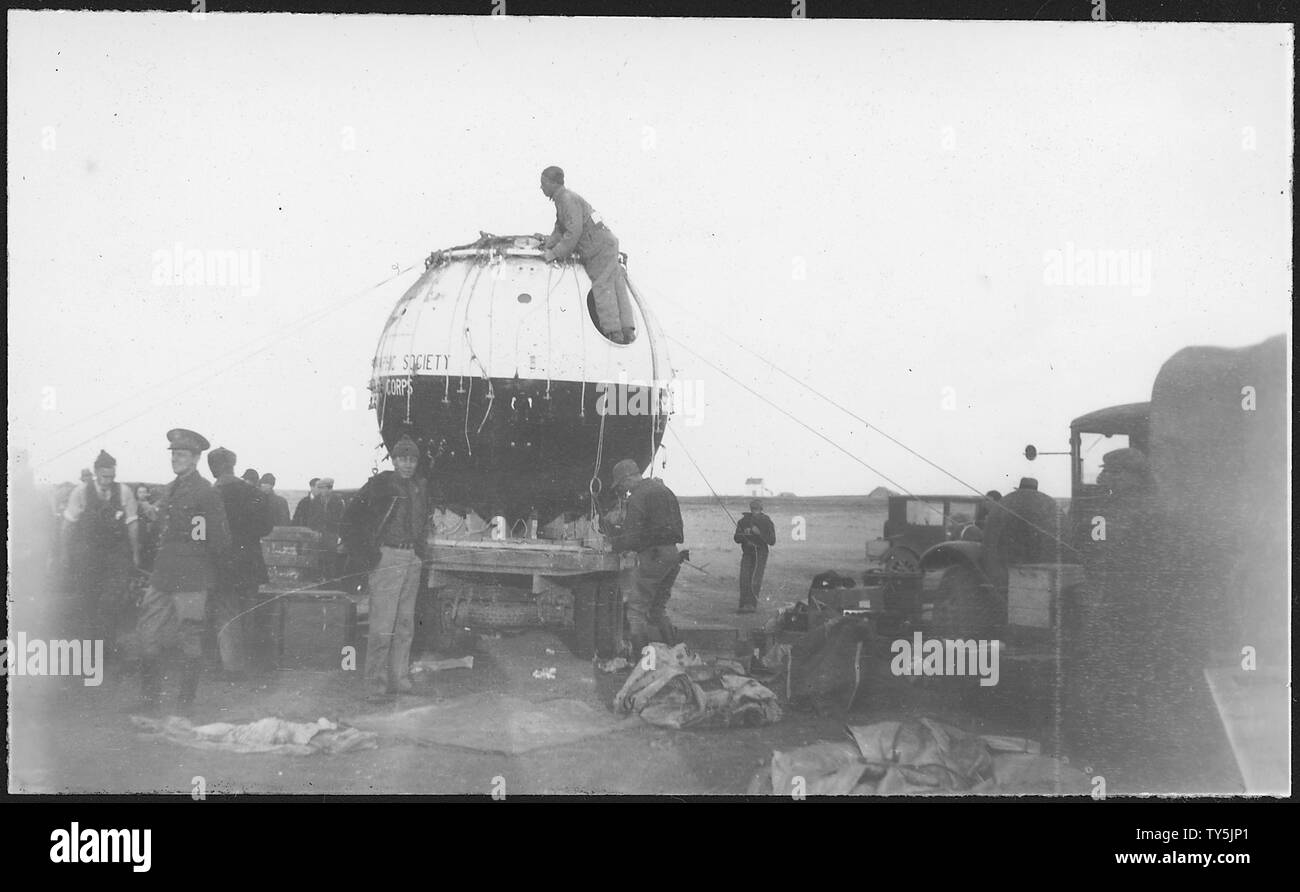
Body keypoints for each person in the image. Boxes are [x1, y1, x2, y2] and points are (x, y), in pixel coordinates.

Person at [133, 429, 230, 714]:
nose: (176, 459)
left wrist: (200, 564)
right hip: (163, 574)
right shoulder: (169, 488)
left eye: (183, 455)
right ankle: (149, 698)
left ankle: (185, 702)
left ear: (196, 458)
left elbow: (220, 540)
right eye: (174, 454)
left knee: (190, 636)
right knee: (146, 630)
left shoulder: (206, 493)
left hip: (191, 576)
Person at [342, 435, 429, 700]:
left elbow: (421, 523)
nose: (407, 464)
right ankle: (375, 687)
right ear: (393, 460)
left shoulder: (419, 487)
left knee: (405, 625)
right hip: (388, 558)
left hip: (411, 558)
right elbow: (349, 520)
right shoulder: (379, 485)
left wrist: (420, 554)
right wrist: (369, 554)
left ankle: (399, 680)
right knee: (382, 626)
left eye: (412, 459)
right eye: (403, 459)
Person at [537, 166, 637, 344]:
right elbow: (560, 229)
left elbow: (573, 232)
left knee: (602, 286)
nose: (541, 188)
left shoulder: (566, 200)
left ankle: (614, 333)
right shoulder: (566, 199)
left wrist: (553, 253)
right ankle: (628, 330)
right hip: (606, 243)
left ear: (553, 183)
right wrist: (547, 243)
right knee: (616, 284)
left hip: (598, 248)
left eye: (543, 183)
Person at [62, 450, 140, 653]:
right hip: (88, 556)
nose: (108, 481)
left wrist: (135, 553)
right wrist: (65, 553)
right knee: (88, 601)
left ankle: (108, 646)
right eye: (105, 476)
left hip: (115, 556)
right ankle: (90, 649)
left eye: (112, 476)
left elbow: (132, 524)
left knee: (111, 601)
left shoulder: (124, 492)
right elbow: (68, 525)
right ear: (96, 472)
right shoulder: (80, 492)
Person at [208, 447, 274, 674]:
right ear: (233, 465)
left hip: (222, 564)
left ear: (213, 468)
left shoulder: (212, 493)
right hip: (249, 562)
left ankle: (231, 666)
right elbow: (266, 527)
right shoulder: (253, 493)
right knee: (248, 611)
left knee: (226, 613)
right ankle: (250, 663)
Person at [609, 458, 684, 653]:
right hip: (673, 555)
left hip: (654, 556)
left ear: (628, 478)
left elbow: (631, 536)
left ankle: (642, 663)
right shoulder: (664, 490)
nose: (623, 489)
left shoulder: (639, 495)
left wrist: (614, 543)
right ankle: (676, 654)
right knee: (657, 609)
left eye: (622, 484)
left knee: (635, 610)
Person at [980, 477, 1063, 594]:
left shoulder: (1007, 502)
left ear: (1020, 487)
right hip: (1041, 568)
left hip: (1005, 566)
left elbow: (991, 539)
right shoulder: (1049, 503)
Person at [733, 498, 776, 613]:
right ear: (750, 508)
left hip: (761, 553)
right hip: (747, 552)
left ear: (761, 509)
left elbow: (772, 541)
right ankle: (743, 605)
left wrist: (759, 534)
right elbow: (736, 538)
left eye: (757, 509)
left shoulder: (767, 521)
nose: (754, 511)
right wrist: (744, 535)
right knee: (744, 578)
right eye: (753, 509)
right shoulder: (743, 521)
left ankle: (752, 605)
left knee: (756, 579)